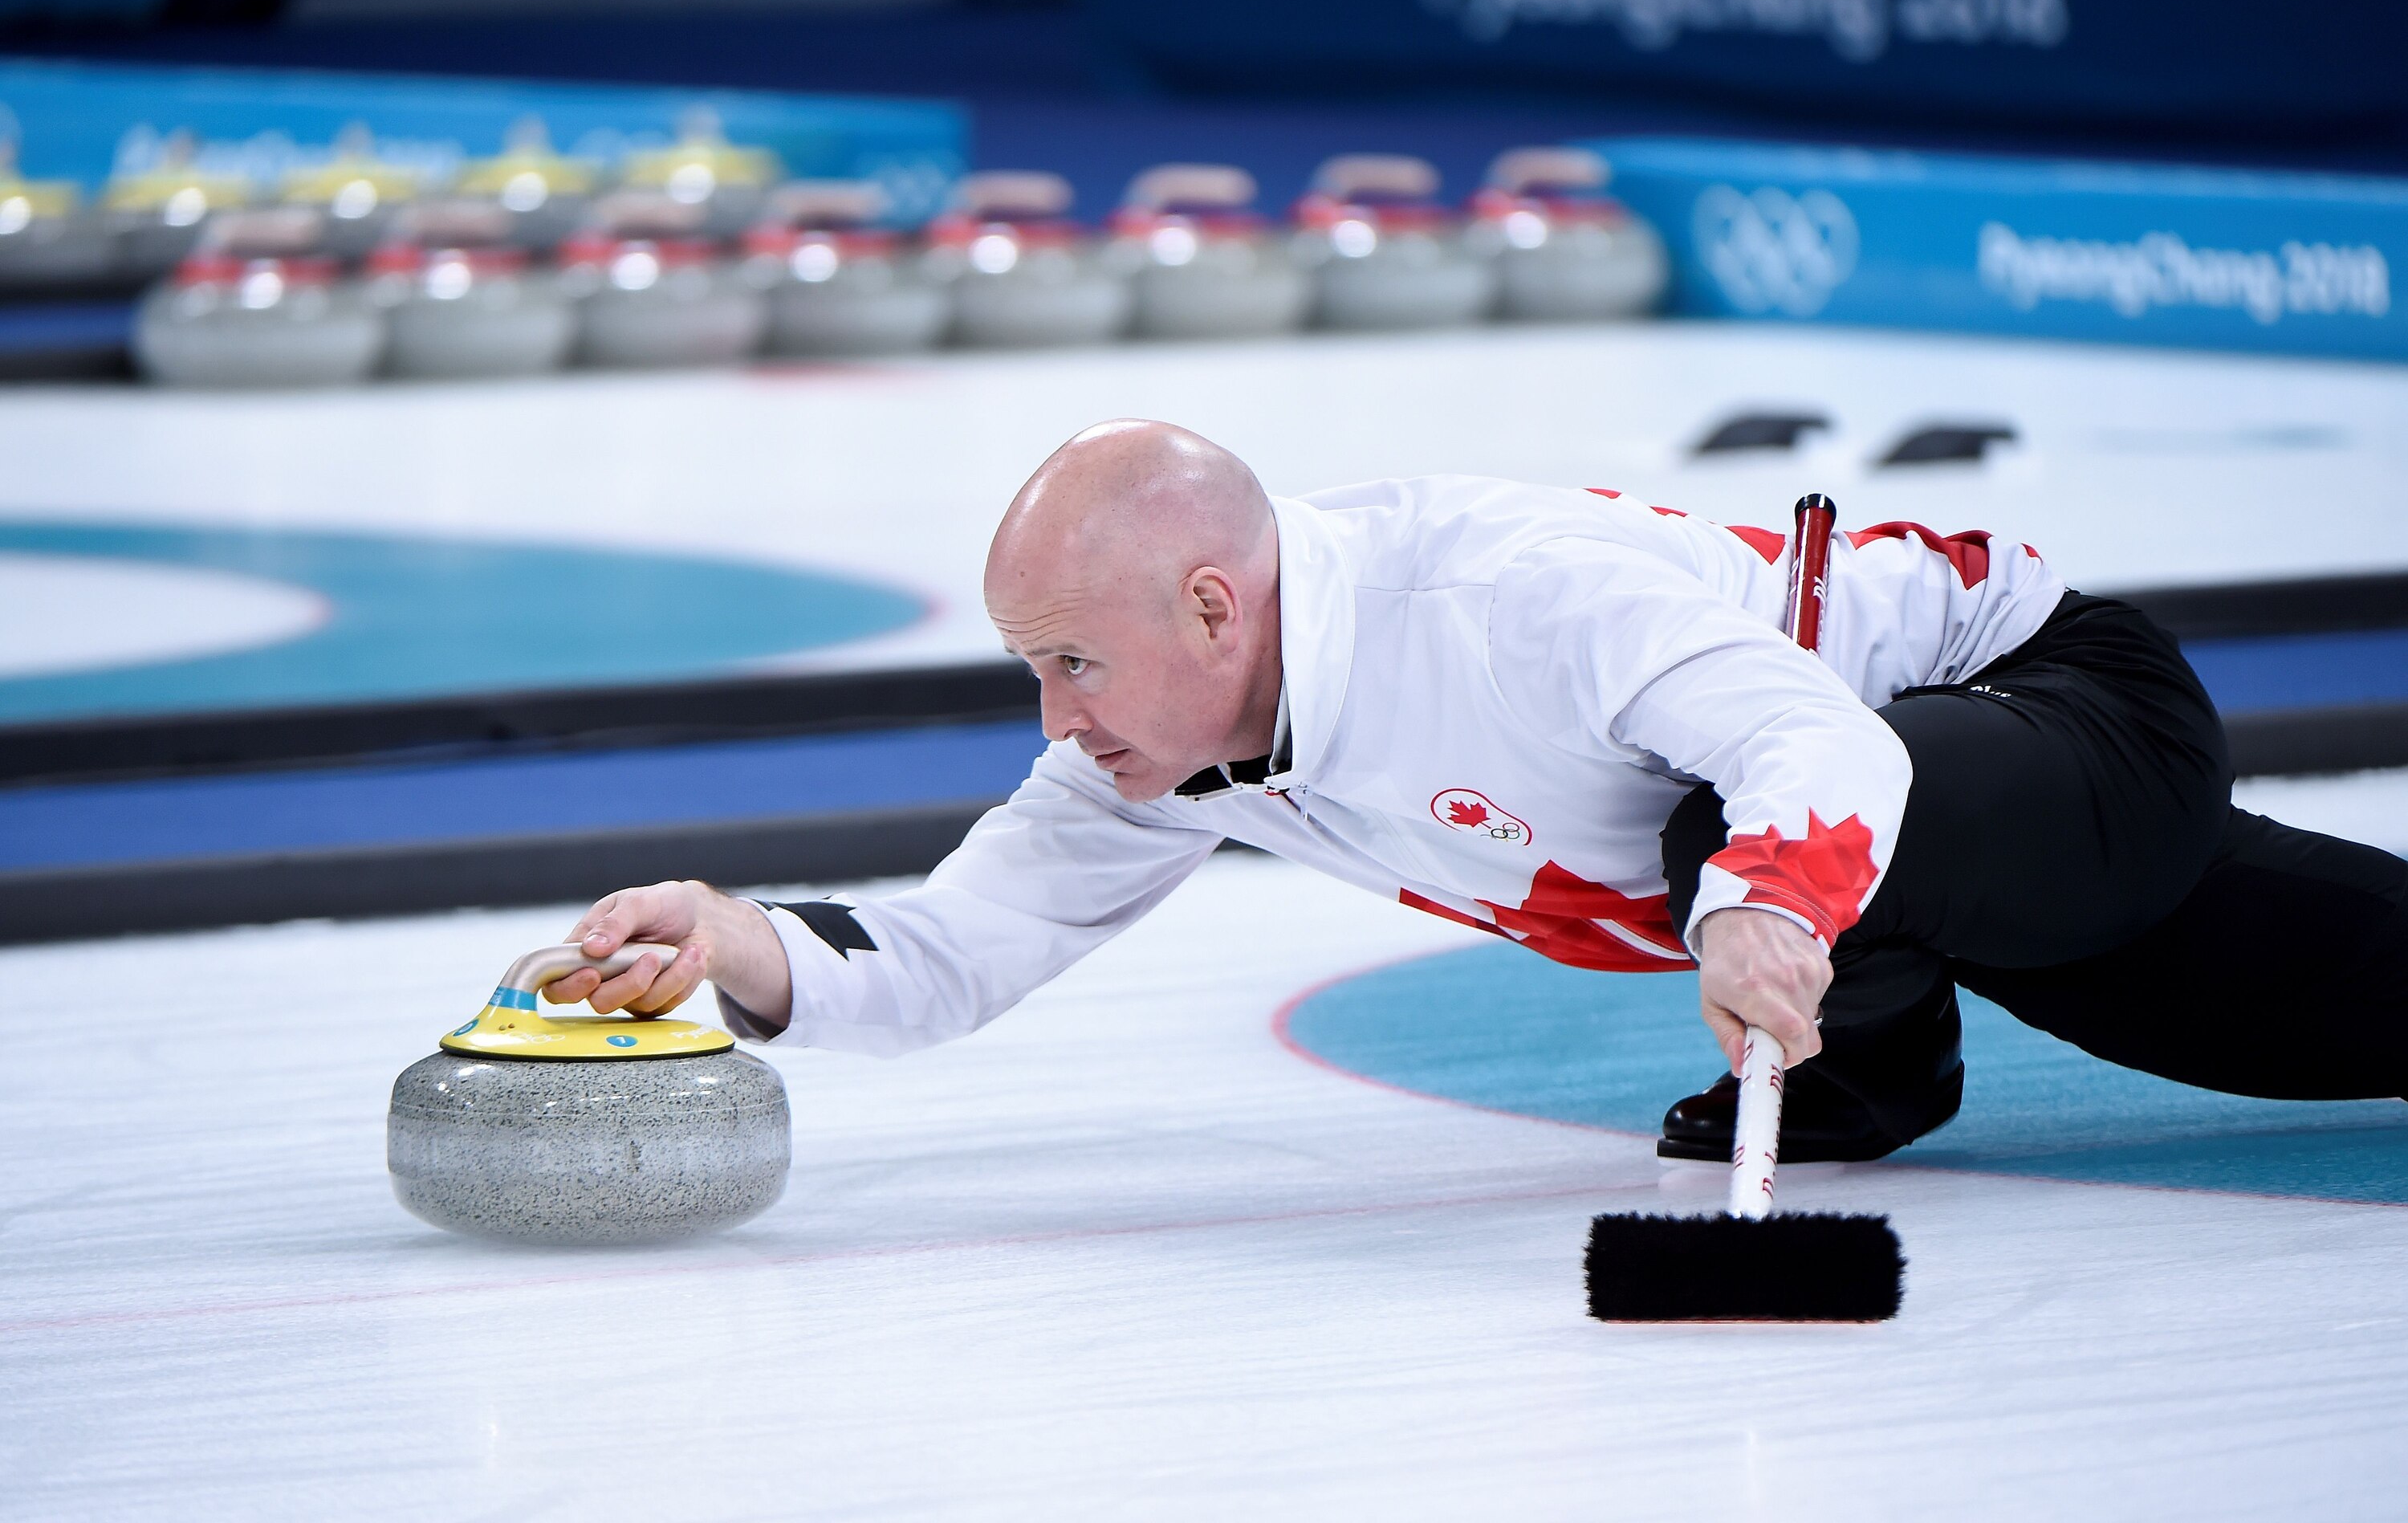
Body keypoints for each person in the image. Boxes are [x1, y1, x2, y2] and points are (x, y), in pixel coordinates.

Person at [545, 419, 2408, 1161]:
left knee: (1723, 832)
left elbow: (1815, 747)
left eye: (1072, 661)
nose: (1054, 713)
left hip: (2064, 711)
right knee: (2306, 998)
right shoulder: (1166, 745)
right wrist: (734, 941)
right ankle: (1878, 1035)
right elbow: (952, 950)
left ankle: (1871, 1065)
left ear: (1214, 603)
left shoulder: (1504, 601)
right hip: (1953, 854)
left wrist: (1764, 900)